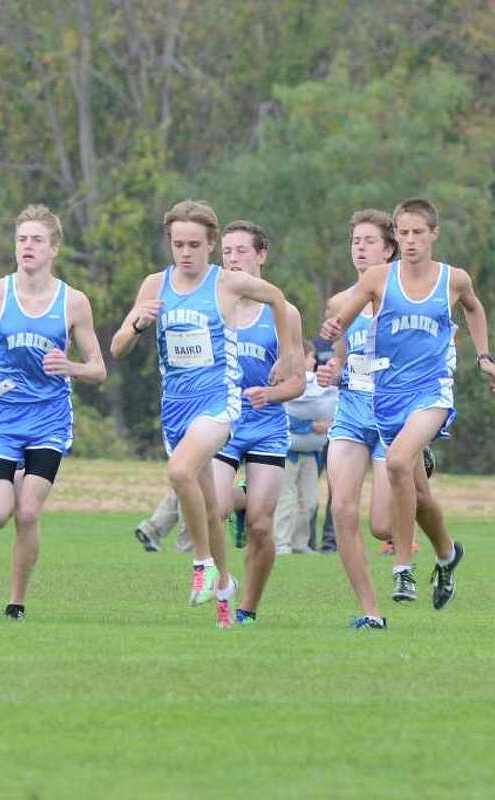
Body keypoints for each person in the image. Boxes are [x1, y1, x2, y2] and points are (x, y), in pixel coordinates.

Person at [111, 200, 300, 628]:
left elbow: (277, 298)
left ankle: (202, 563)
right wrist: (138, 323)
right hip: (175, 410)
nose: (186, 252)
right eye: (178, 244)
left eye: (195, 244)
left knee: (180, 473)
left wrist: (289, 353)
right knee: (209, 504)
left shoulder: (227, 284)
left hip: (218, 405)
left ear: (211, 245)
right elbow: (118, 347)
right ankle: (225, 588)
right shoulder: (154, 285)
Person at [322, 197, 495, 612]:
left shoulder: (453, 279)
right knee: (403, 505)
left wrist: (484, 358)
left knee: (396, 463)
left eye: (417, 233)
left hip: (431, 393)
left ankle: (403, 569)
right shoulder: (378, 279)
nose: (410, 240)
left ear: (433, 235)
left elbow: (475, 310)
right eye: (403, 232)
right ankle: (446, 554)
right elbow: (345, 319)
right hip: (388, 396)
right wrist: (334, 329)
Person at [0, 205, 107, 619]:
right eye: (22, 239)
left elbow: (98, 367)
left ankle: (16, 602)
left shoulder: (73, 303)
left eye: (37, 240)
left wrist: (70, 366)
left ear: (53, 248)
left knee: (27, 511)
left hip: (49, 420)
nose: (28, 246)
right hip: (2, 417)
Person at [211, 220, 305, 625]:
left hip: (267, 425)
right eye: (227, 252)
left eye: (241, 251)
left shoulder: (283, 313)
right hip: (224, 421)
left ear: (261, 256)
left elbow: (298, 382)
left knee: (262, 529)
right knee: (213, 506)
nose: (232, 259)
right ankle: (223, 583)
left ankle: (248, 608)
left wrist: (271, 393)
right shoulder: (212, 305)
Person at [273, 339, 337, 555]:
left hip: (311, 453)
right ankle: (282, 543)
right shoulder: (284, 383)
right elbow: (282, 414)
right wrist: (309, 425)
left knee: (309, 502)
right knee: (286, 499)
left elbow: (331, 409)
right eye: (311, 357)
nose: (315, 361)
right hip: (287, 453)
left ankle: (300, 543)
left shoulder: (322, 386)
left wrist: (327, 424)